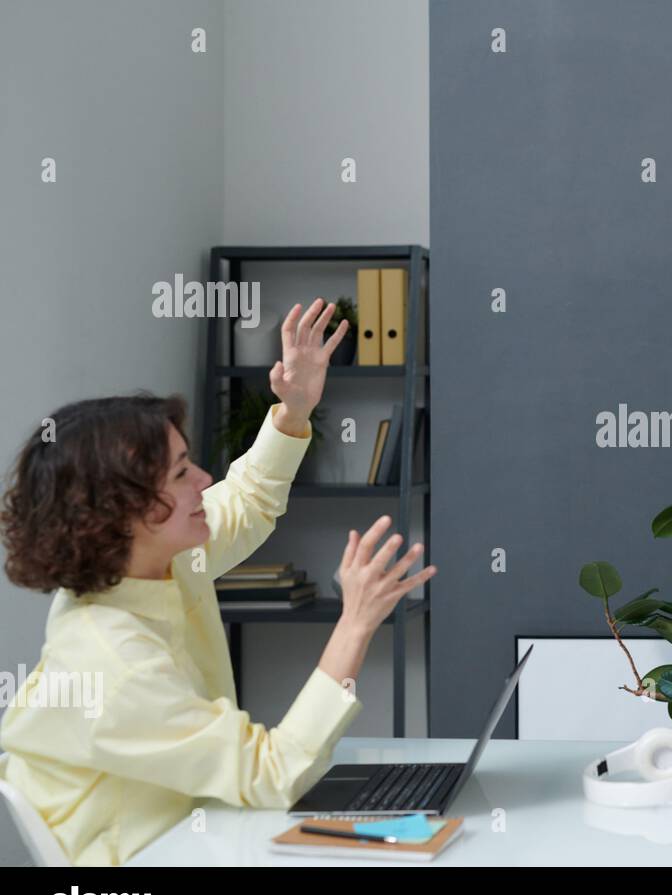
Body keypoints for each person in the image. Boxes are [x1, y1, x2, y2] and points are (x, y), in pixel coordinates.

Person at [0, 299, 436, 864]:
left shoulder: (161, 562)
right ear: (122, 512)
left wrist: (294, 410)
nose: (204, 478)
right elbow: (275, 773)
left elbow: (249, 498)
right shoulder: (111, 661)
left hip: (203, 838)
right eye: (182, 473)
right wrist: (356, 621)